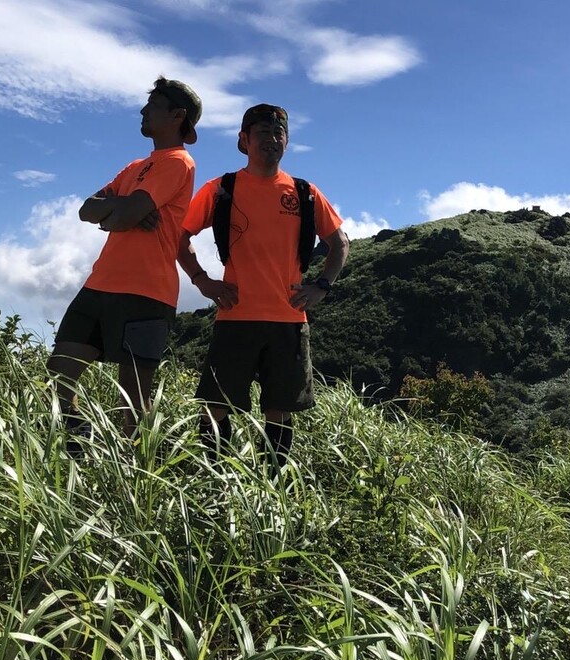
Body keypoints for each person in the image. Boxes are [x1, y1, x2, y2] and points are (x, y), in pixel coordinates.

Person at [178, 102, 349, 467]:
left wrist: (322, 286)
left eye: (278, 133)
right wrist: (202, 281)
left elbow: (340, 244)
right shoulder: (221, 189)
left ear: (287, 140)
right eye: (262, 133)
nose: (271, 139)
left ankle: (271, 483)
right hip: (235, 316)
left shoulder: (304, 192)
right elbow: (180, 237)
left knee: (280, 410)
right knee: (215, 406)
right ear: (244, 140)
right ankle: (216, 481)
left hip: (288, 320)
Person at [49, 77, 201, 447]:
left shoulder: (178, 162)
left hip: (146, 292)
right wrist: (122, 209)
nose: (143, 111)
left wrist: (120, 211)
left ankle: (133, 472)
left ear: (177, 116)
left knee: (133, 400)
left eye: (154, 105)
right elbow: (86, 209)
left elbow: (120, 217)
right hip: (99, 286)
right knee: (59, 377)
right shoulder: (135, 166)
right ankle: (81, 447)